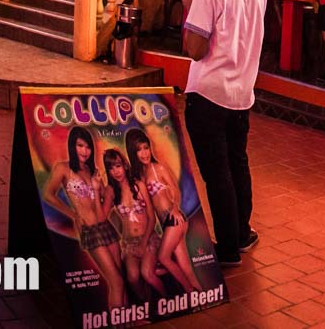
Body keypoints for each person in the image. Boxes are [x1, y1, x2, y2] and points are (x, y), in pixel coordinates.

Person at [181, 0, 266, 269]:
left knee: (217, 173)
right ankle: (241, 232)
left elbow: (195, 49)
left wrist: (189, 6)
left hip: (209, 93)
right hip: (241, 93)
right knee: (237, 164)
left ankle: (228, 247)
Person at [42, 126, 126, 309]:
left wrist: (106, 190)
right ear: (73, 146)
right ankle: (118, 323)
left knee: (120, 277)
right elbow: (48, 194)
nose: (85, 151)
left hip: (106, 227)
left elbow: (105, 197)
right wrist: (73, 214)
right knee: (116, 281)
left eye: (88, 147)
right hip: (89, 230)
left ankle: (126, 317)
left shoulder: (91, 170)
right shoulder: (63, 168)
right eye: (80, 146)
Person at [125, 128, 205, 295]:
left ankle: (189, 291)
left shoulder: (158, 168)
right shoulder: (141, 174)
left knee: (163, 257)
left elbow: (175, 190)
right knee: (185, 266)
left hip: (174, 218)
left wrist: (175, 208)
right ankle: (201, 294)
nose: (144, 153)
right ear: (133, 153)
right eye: (139, 150)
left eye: (146, 148)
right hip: (165, 223)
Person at [103, 148, 163, 301]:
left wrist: (144, 243)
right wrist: (97, 189)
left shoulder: (138, 185)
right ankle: (149, 304)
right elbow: (102, 217)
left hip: (148, 238)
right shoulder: (111, 191)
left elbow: (152, 217)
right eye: (110, 168)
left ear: (125, 165)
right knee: (133, 278)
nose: (115, 171)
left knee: (147, 273)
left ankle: (169, 301)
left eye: (118, 166)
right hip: (129, 243)